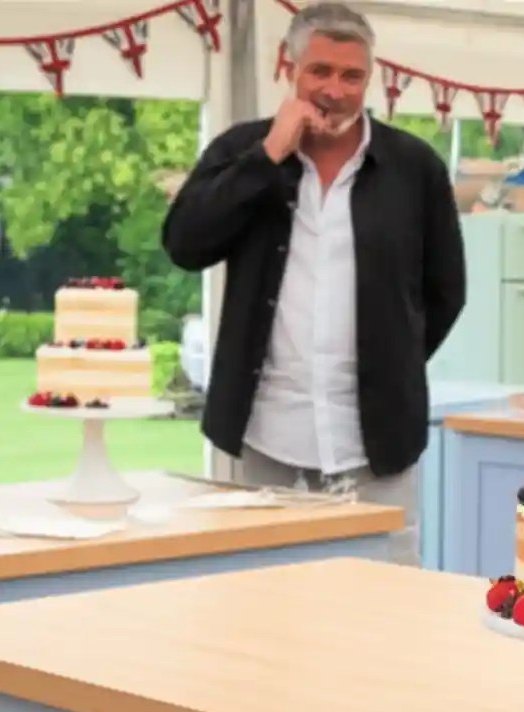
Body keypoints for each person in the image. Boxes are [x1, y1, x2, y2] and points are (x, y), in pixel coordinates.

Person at [161, 2, 466, 566]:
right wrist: (269, 155)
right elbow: (185, 243)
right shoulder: (240, 151)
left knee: (385, 597)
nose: (335, 91)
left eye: (352, 76)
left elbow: (446, 290)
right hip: (266, 436)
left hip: (377, 443)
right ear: (289, 68)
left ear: (369, 78)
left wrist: (389, 362)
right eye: (320, 71)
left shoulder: (415, 167)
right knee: (264, 592)